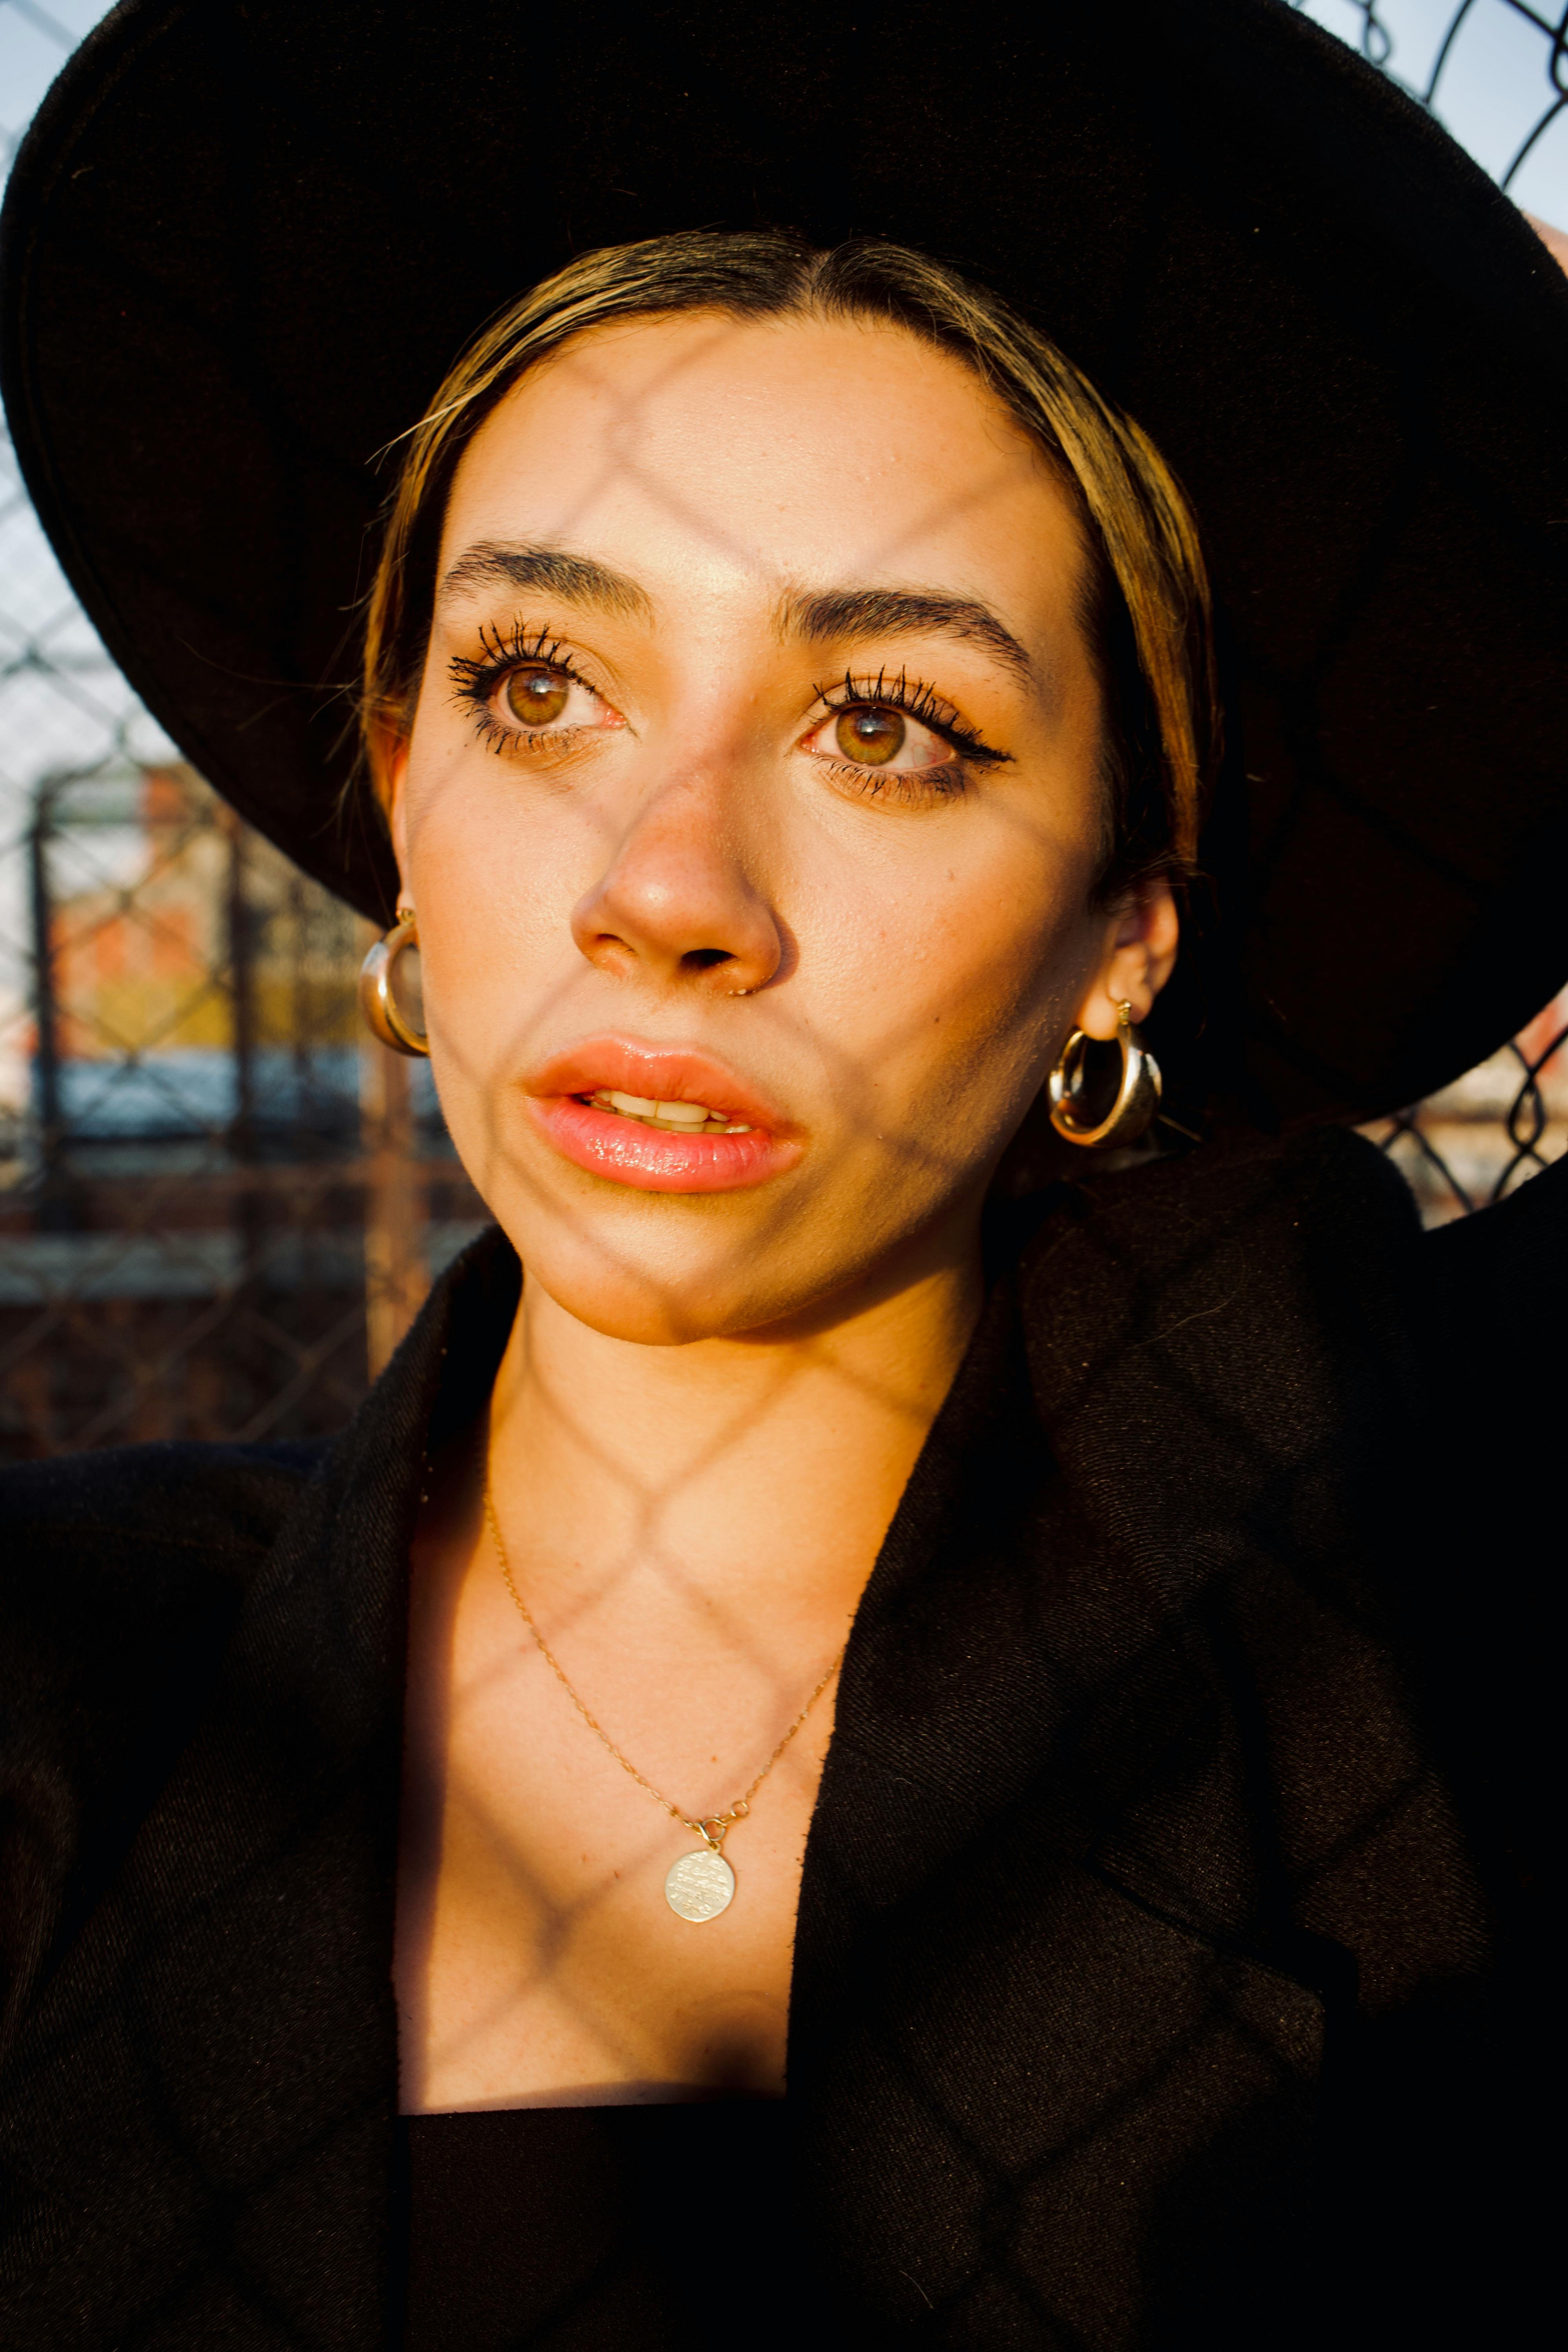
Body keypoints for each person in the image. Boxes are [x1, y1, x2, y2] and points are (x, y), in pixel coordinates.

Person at [0, 3, 1563, 2347]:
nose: (668, 886)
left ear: (1124, 928)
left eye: (887, 726)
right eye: (542, 684)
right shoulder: (55, 1696)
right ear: (402, 788)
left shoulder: (1440, 1641)